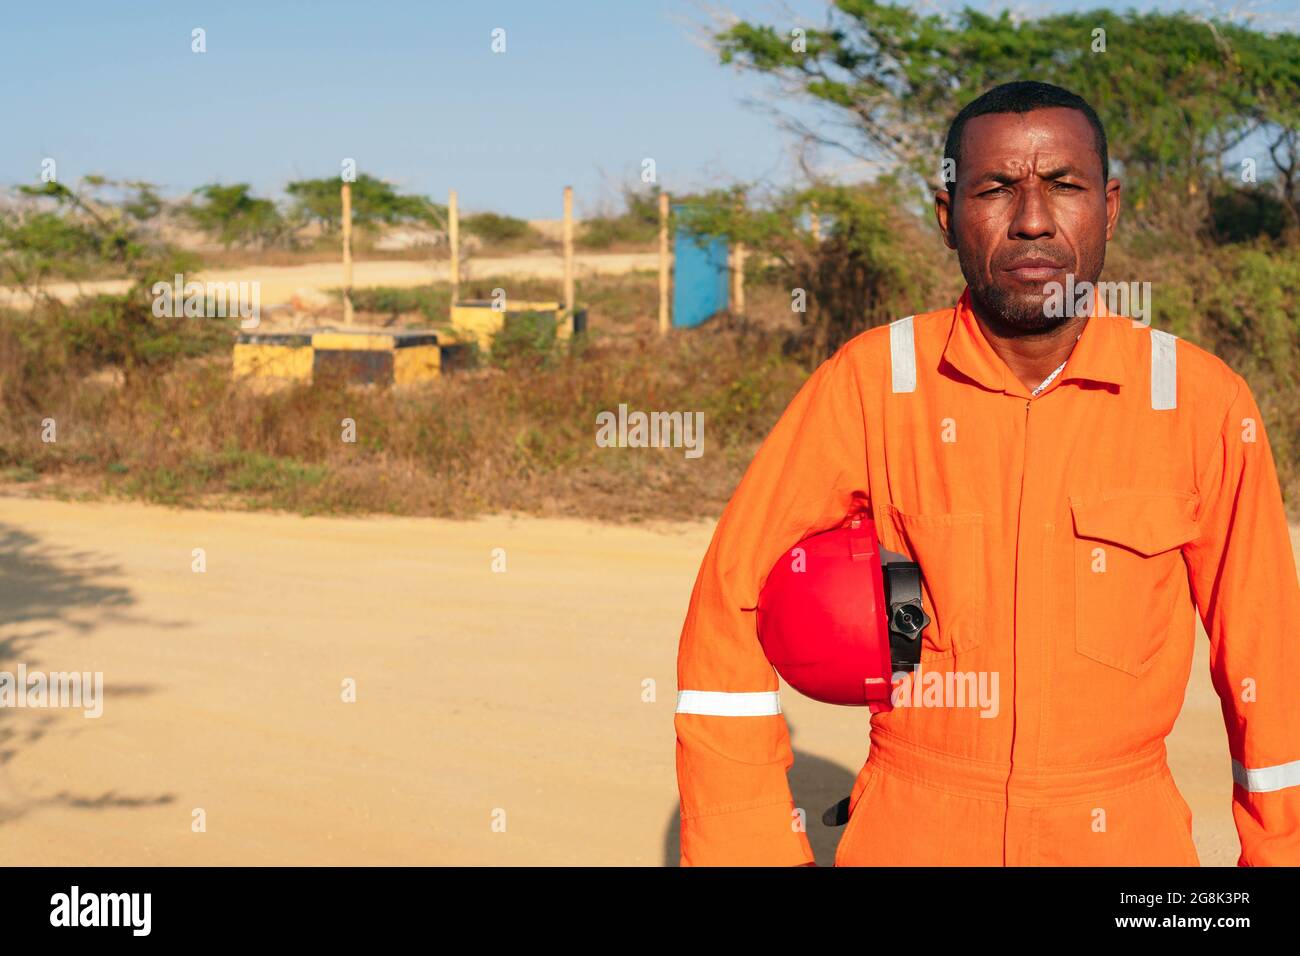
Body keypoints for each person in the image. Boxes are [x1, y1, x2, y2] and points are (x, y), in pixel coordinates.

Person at [673, 80, 1300, 866]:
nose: (1032, 219)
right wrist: (750, 851)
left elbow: (1269, 670)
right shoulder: (873, 383)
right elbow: (730, 608)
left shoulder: (1201, 401)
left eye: (1064, 186)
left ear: (1109, 207)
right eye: (996, 188)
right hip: (913, 828)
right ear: (947, 216)